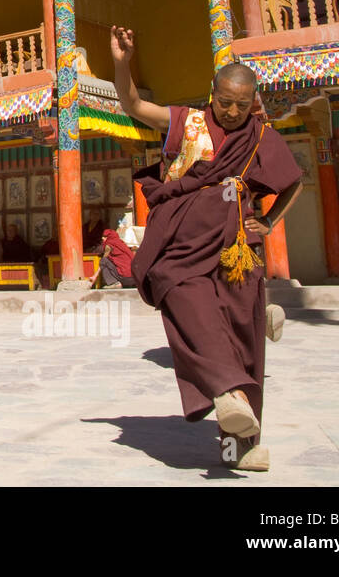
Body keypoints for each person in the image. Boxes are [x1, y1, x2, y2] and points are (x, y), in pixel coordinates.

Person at [111, 25, 302, 472]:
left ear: (252, 100)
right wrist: (122, 64)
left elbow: (293, 180)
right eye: (224, 101)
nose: (232, 111)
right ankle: (227, 391)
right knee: (180, 295)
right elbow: (134, 105)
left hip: (236, 241)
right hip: (179, 239)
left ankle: (244, 445)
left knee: (243, 335)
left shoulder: (260, 136)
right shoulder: (187, 120)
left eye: (241, 103)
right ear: (210, 94)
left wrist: (270, 221)